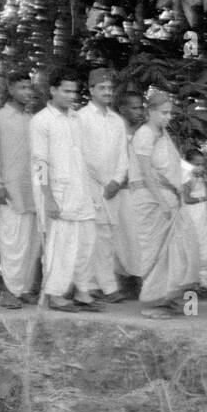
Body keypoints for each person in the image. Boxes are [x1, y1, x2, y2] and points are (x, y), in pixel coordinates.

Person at [30, 67, 100, 313]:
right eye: (66, 91)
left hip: (81, 190)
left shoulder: (76, 118)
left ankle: (83, 291)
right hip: (56, 192)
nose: (71, 95)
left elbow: (83, 157)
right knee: (61, 244)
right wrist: (47, 198)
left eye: (74, 91)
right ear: (53, 90)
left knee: (86, 241)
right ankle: (55, 294)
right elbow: (39, 162)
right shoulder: (41, 121)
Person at [128, 90, 200, 317]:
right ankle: (157, 302)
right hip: (154, 202)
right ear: (151, 111)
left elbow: (170, 166)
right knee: (157, 252)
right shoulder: (144, 134)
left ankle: (173, 299)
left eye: (170, 113)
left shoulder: (162, 134)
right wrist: (162, 202)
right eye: (164, 113)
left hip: (170, 199)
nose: (168, 117)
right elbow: (147, 172)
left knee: (183, 248)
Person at [76, 67, 131, 303]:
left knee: (107, 237)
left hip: (112, 189)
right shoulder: (80, 118)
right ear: (91, 90)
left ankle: (103, 285)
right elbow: (82, 155)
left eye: (110, 88)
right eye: (102, 88)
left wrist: (117, 180)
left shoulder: (117, 120)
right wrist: (103, 182)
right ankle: (92, 286)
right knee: (89, 236)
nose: (108, 92)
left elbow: (123, 155)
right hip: (90, 186)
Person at [0, 70, 40, 306]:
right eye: (22, 88)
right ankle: (8, 290)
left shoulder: (33, 120)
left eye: (29, 88)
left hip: (32, 190)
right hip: (8, 190)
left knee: (30, 243)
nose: (27, 92)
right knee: (11, 241)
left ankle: (24, 289)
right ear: (10, 90)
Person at [114, 86, 147, 295]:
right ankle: (123, 281)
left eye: (141, 107)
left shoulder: (146, 132)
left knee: (139, 238)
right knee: (120, 240)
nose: (140, 112)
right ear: (123, 109)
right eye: (134, 108)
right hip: (119, 191)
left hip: (141, 192)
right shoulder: (115, 132)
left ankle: (141, 280)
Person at [180, 148, 207, 291]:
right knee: (196, 247)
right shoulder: (186, 176)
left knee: (204, 247)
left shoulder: (197, 176)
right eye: (196, 164)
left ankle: (206, 284)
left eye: (202, 164)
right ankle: (193, 287)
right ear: (188, 163)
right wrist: (204, 198)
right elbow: (186, 199)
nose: (200, 167)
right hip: (192, 218)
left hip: (200, 218)